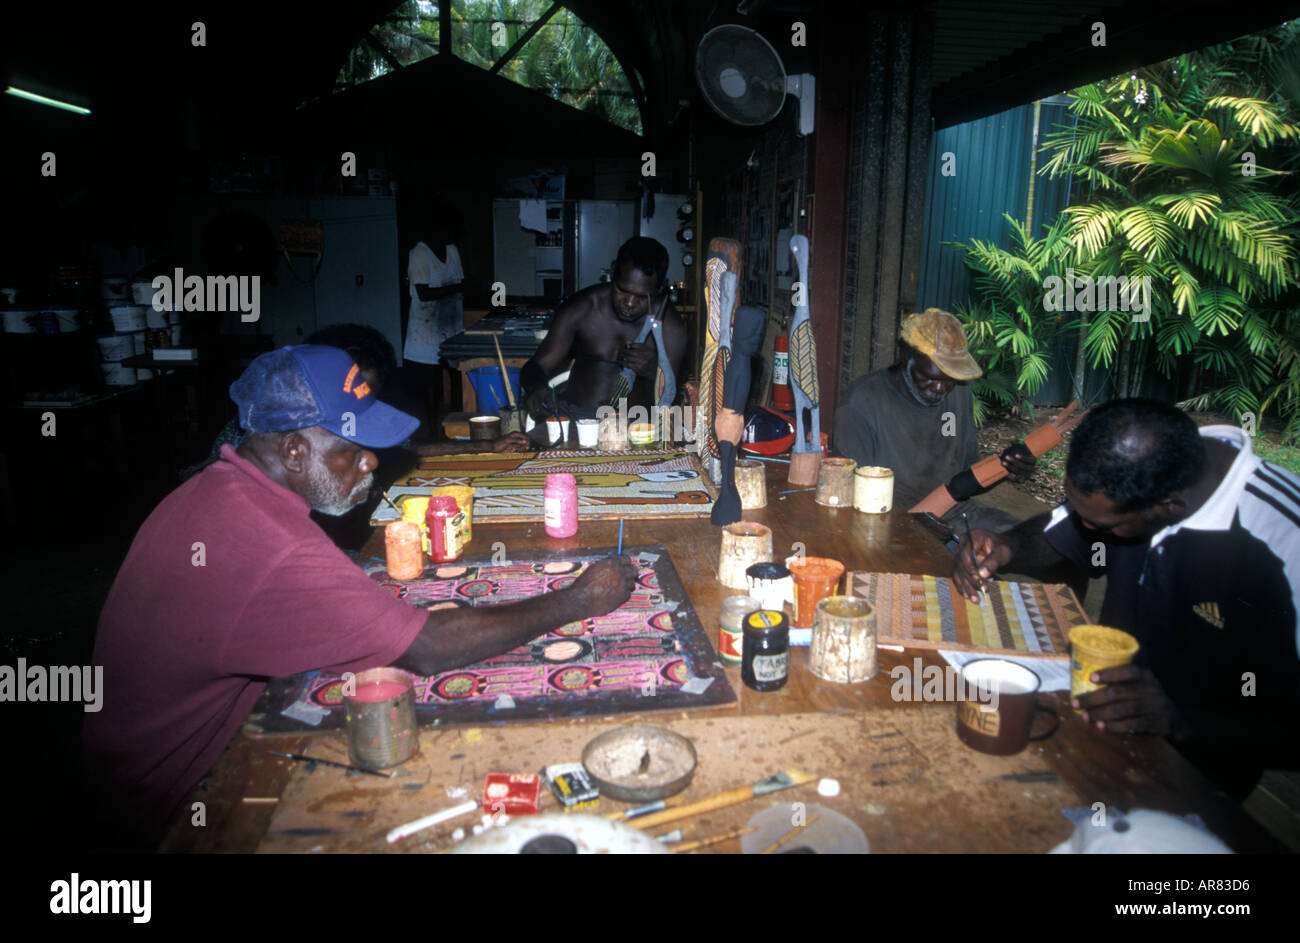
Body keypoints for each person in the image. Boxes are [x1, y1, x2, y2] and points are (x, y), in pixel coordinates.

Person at [83, 345, 635, 850]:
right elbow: (428, 648)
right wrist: (578, 599)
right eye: (354, 450)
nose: (372, 462)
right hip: (168, 816)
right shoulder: (267, 543)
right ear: (295, 451)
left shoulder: (215, 488)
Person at [953, 399, 1300, 798]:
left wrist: (1178, 719)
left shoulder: (1283, 538)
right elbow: (1060, 534)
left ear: (1168, 508)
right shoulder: (1133, 476)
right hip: (1096, 731)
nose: (1085, 528)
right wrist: (1007, 544)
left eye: (1102, 526)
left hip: (1194, 783)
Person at [832, 308, 1035, 531]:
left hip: (956, 513)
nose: (939, 388)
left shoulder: (958, 392)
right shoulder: (861, 404)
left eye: (949, 379)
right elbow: (850, 502)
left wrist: (1006, 468)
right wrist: (917, 529)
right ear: (906, 357)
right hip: (890, 524)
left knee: (1029, 541)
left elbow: (968, 475)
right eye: (928, 377)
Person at [520, 236, 687, 421]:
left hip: (639, 430)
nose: (629, 303)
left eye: (641, 297)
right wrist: (537, 389)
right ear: (613, 271)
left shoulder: (671, 327)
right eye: (622, 291)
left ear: (660, 287)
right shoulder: (582, 308)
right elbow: (536, 366)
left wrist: (654, 371)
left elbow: (674, 401)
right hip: (580, 423)